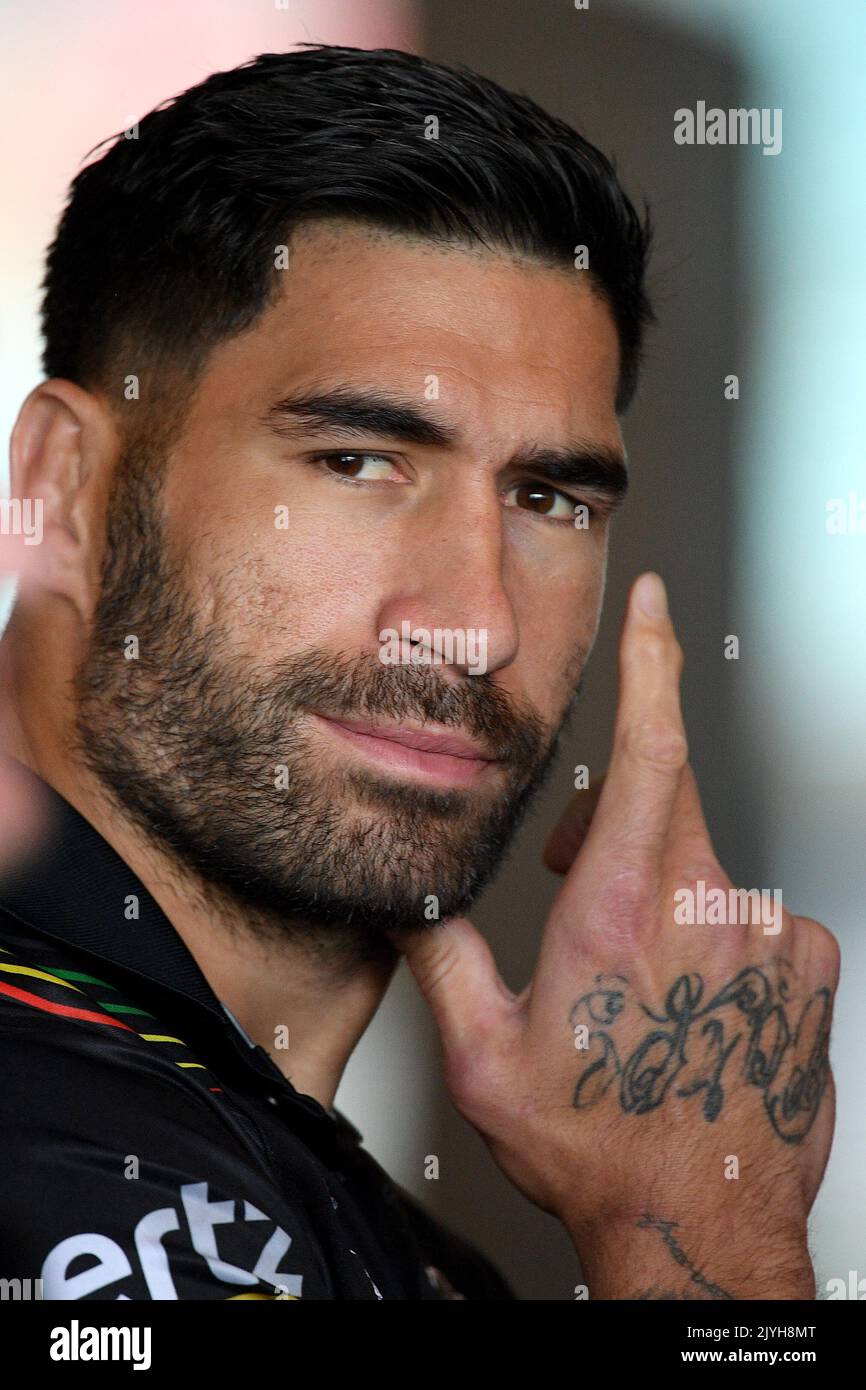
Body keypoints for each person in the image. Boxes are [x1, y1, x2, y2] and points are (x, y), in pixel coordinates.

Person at [0, 44, 837, 1301]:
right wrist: (698, 1236)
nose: (476, 622)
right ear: (65, 485)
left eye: (548, 497)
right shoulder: (65, 1174)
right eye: (355, 461)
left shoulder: (300, 1192)